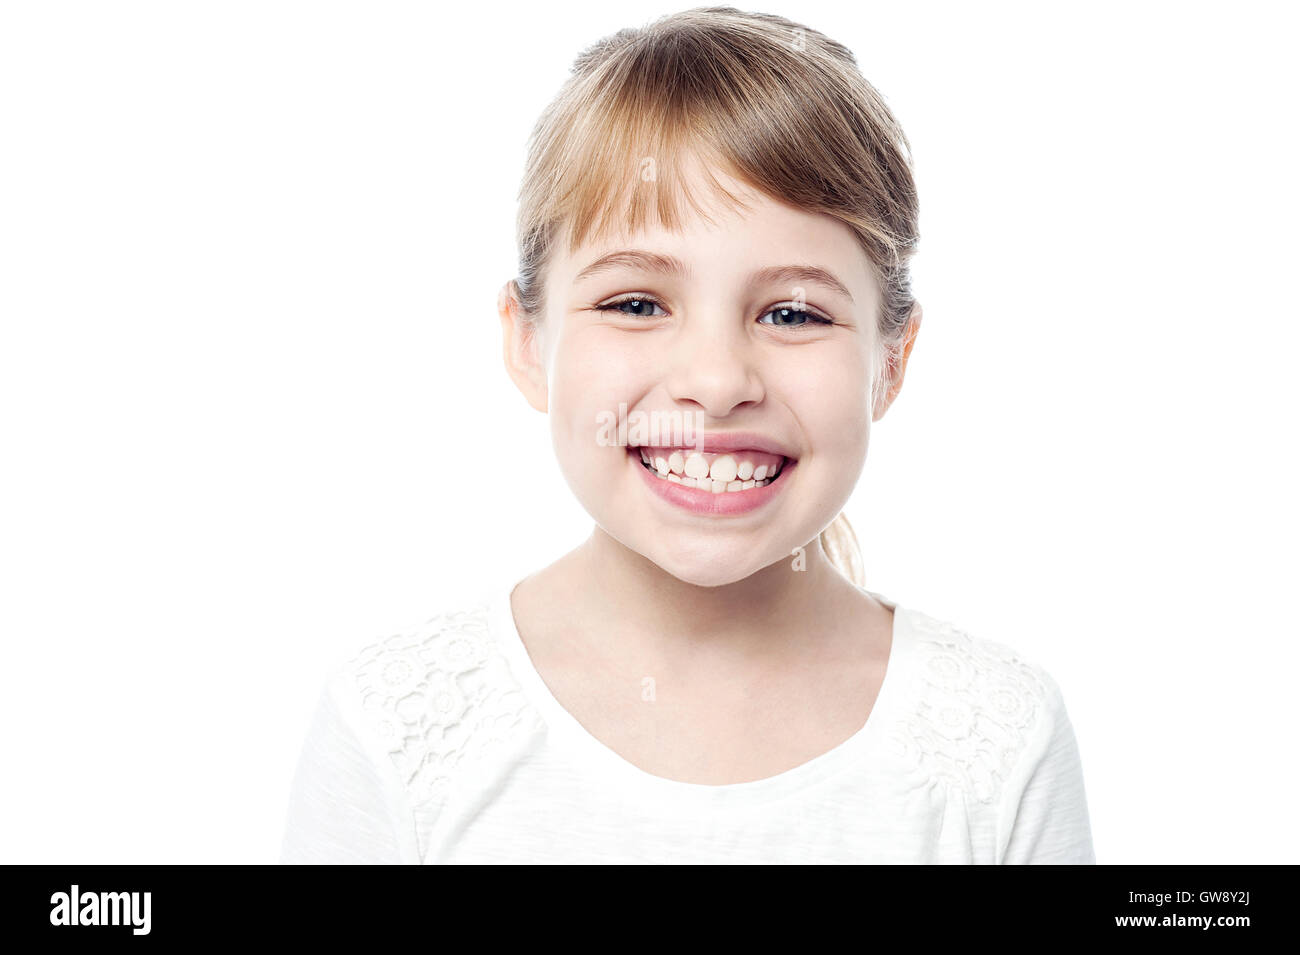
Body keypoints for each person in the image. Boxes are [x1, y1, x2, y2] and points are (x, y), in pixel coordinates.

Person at [280, 6, 1095, 864]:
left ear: (892, 360)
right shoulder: (394, 732)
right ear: (527, 341)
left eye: (792, 311)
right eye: (636, 303)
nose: (714, 382)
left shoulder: (1000, 743)